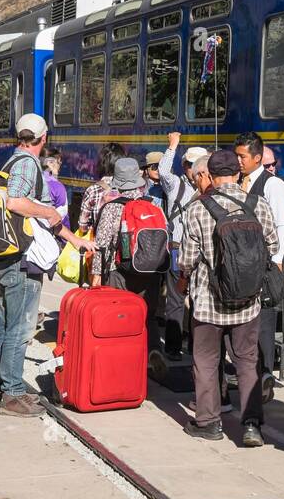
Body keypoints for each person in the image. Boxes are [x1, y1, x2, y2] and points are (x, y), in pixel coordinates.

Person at [0, 113, 93, 417]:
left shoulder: (11, 160)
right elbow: (15, 202)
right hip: (24, 258)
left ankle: (6, 387)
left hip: (14, 254)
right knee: (20, 328)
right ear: (44, 138)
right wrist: (47, 210)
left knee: (8, 323)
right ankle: (11, 394)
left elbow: (40, 217)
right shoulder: (26, 163)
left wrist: (74, 240)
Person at [178, 149, 279, 446]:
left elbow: (186, 259)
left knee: (206, 360)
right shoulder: (257, 205)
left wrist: (187, 279)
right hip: (248, 302)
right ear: (238, 173)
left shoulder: (198, 208)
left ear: (210, 175)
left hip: (208, 302)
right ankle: (251, 426)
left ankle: (208, 423)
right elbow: (272, 245)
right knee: (247, 360)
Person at [89, 158, 165, 362]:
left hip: (119, 270)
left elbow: (102, 245)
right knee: (147, 316)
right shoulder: (153, 205)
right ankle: (153, 349)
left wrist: (96, 275)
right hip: (150, 270)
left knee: (119, 316)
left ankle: (123, 358)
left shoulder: (112, 208)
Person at [235, 131, 284, 396]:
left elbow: (281, 223)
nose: (238, 161)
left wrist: (278, 260)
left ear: (257, 158)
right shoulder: (238, 181)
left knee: (265, 320)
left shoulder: (272, 185)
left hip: (266, 262)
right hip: (243, 262)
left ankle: (265, 375)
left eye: (242, 156)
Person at [158, 133, 209, 359]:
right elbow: (162, 171)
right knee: (177, 300)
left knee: (199, 299)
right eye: (191, 164)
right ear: (185, 165)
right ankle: (173, 347)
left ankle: (195, 346)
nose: (195, 170)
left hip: (201, 251)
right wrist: (173, 145)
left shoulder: (209, 186)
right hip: (178, 247)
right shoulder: (176, 184)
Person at [76, 142, 126, 235]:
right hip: (122, 245)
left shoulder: (93, 190)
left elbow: (83, 227)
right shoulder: (130, 190)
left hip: (99, 244)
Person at [42, 153, 70, 229]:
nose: (59, 167)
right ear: (49, 163)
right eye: (58, 163)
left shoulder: (30, 179)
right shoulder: (57, 187)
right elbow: (62, 218)